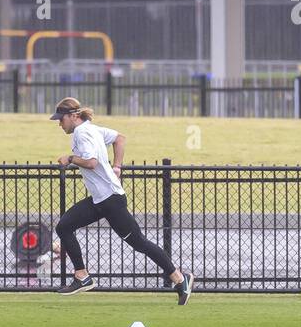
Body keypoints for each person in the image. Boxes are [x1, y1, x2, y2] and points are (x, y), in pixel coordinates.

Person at [50, 97, 194, 303]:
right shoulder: (93, 129)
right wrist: (117, 166)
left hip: (110, 201)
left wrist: (70, 159)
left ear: (73, 116)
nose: (59, 124)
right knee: (64, 226)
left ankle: (180, 279)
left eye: (60, 119)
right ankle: (82, 276)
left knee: (139, 243)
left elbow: (91, 162)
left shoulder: (82, 133)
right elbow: (120, 138)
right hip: (101, 200)